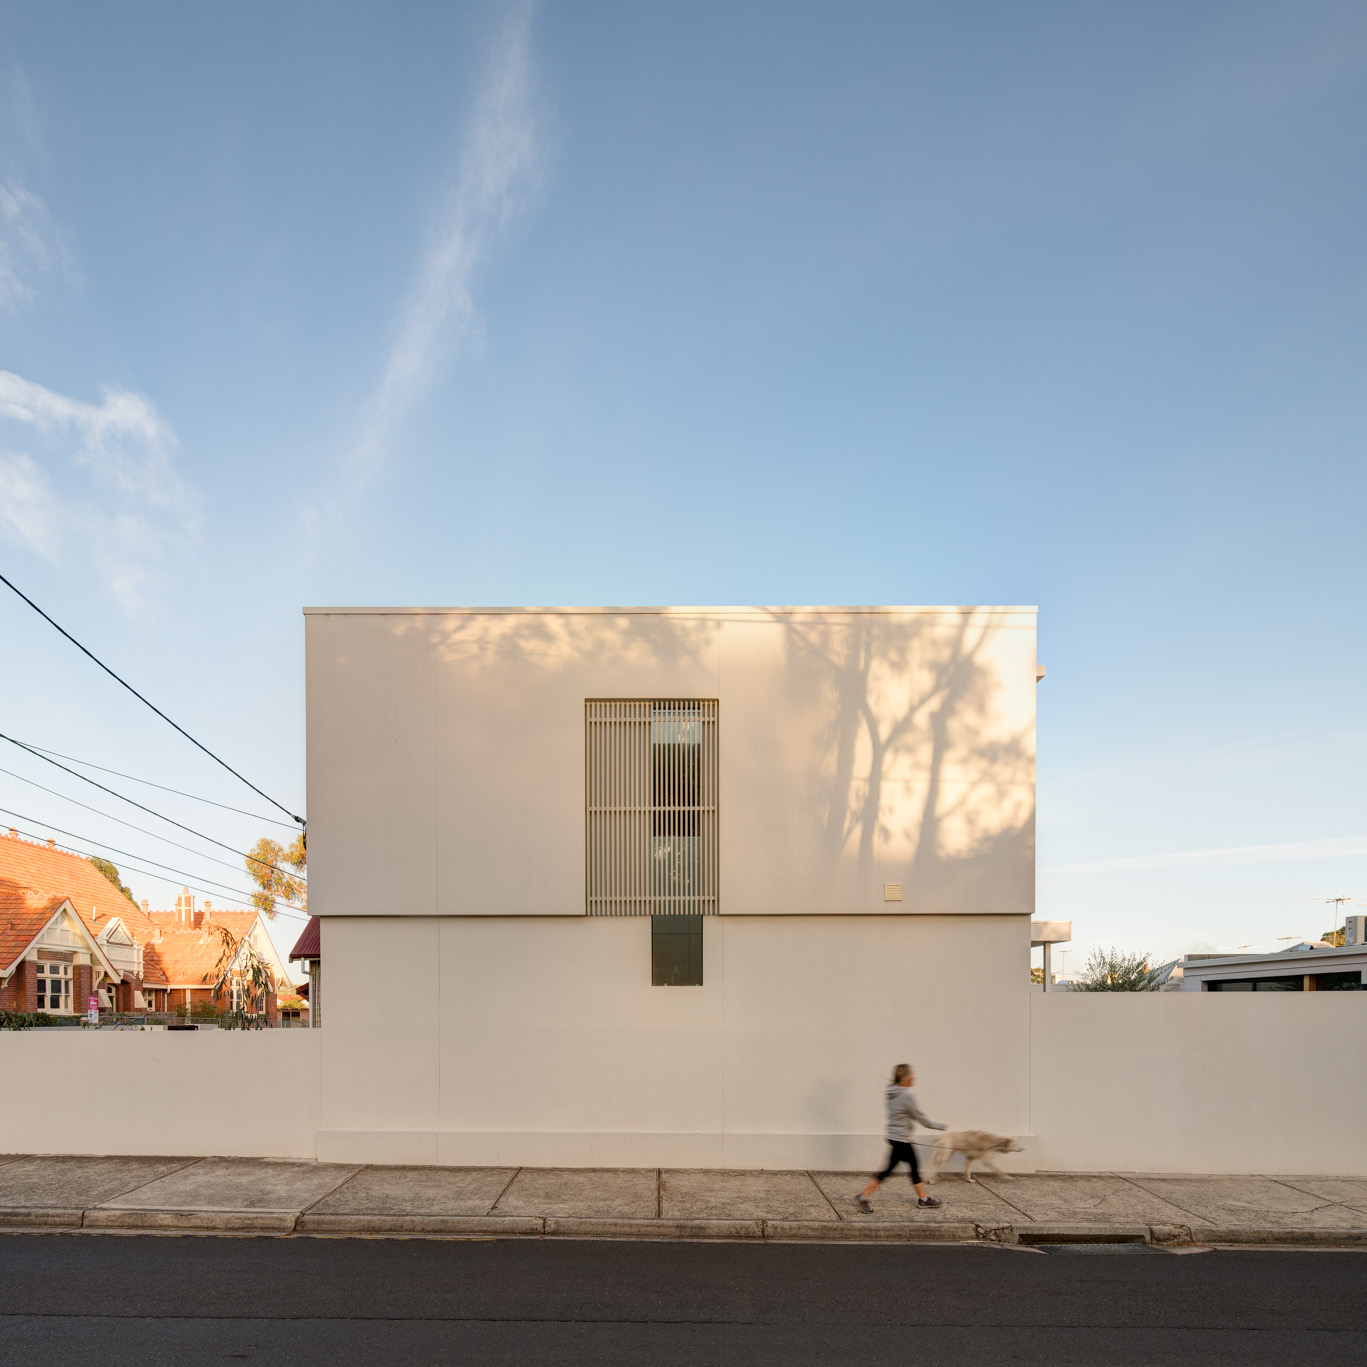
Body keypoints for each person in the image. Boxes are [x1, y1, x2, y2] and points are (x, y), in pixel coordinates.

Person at [856, 1062, 944, 1212]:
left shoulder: (891, 1092)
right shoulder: (907, 1095)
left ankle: (922, 1198)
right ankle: (864, 1197)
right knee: (896, 1170)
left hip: (894, 1136)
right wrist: (939, 1126)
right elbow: (920, 1118)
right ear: (906, 1077)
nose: (914, 1077)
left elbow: (904, 1115)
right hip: (902, 1139)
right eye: (912, 1074)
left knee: (900, 1168)